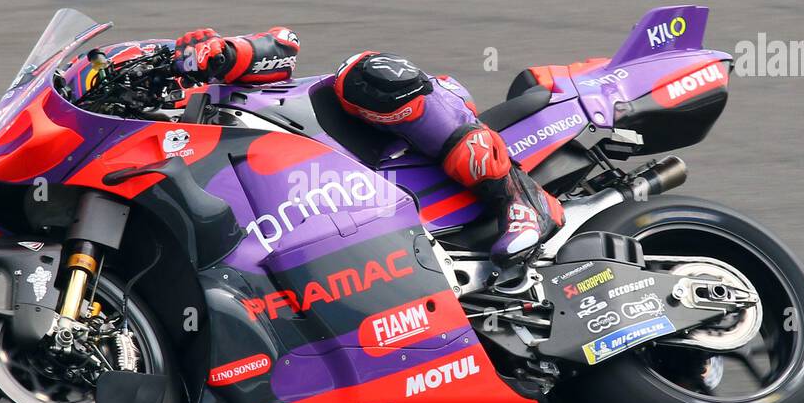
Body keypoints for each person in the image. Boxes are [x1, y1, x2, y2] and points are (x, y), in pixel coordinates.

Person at [172, 27, 565, 266]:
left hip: (355, 128)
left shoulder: (164, 78)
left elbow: (284, 44)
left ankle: (521, 199)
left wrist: (223, 54)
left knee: (366, 76)